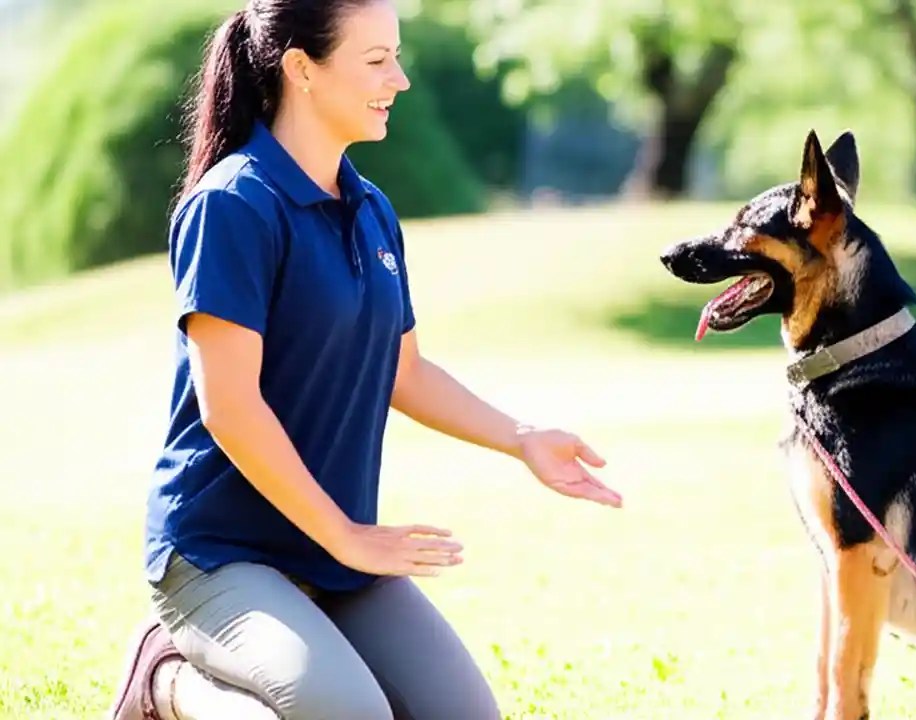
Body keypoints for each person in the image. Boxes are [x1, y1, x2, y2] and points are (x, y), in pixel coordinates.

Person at [106, 1, 623, 718]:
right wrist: (349, 536)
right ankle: (165, 684)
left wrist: (521, 437)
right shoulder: (233, 204)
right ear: (301, 70)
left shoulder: (370, 208)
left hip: (333, 555)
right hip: (220, 552)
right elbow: (229, 406)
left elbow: (404, 371)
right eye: (377, 60)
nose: (400, 79)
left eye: (397, 56)